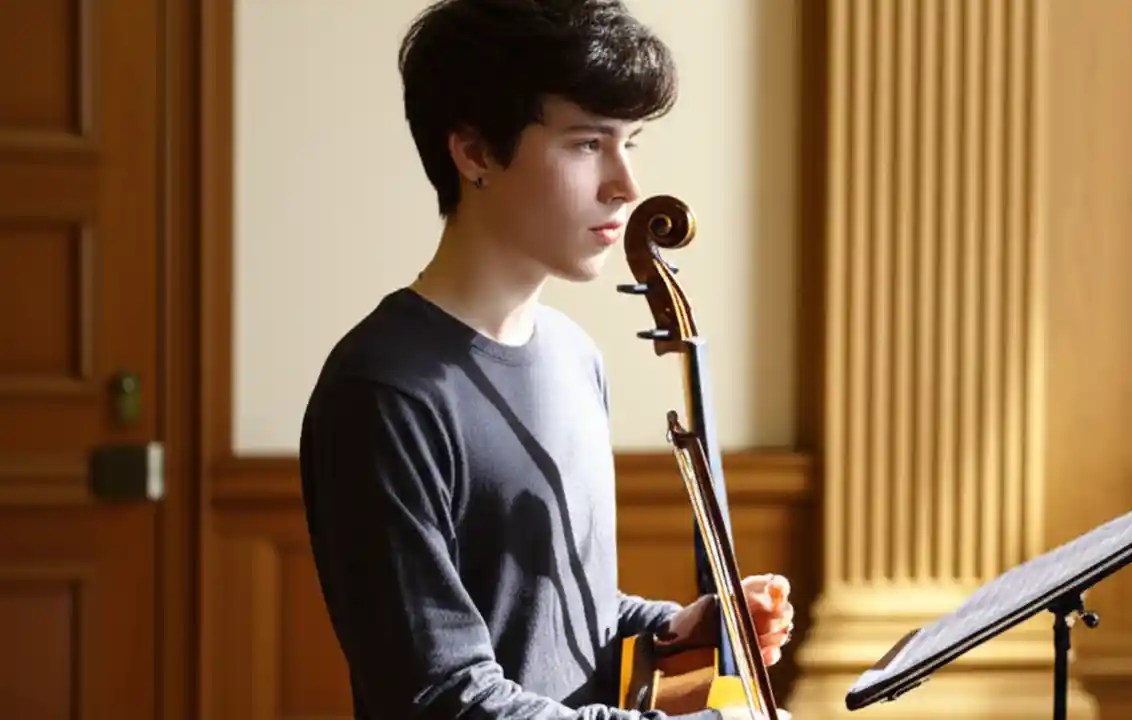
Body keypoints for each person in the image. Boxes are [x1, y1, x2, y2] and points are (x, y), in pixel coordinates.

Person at [298, 1, 795, 718]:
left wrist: (676, 627)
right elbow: (445, 697)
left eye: (632, 141)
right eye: (587, 144)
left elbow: (564, 613)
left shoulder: (573, 356)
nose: (625, 183)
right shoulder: (383, 390)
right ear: (473, 153)